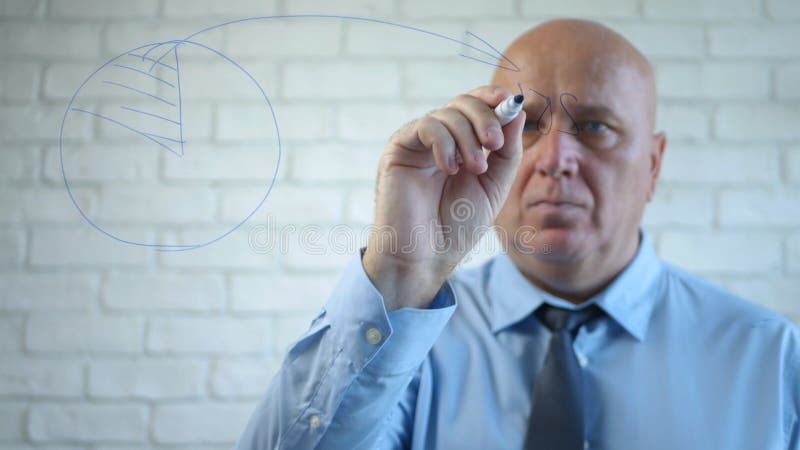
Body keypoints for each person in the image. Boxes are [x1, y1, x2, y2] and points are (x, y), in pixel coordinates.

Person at [236, 19, 800, 450]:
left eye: (595, 127)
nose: (554, 159)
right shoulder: (397, 350)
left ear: (653, 166)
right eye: (526, 125)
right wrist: (401, 275)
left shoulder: (770, 358)